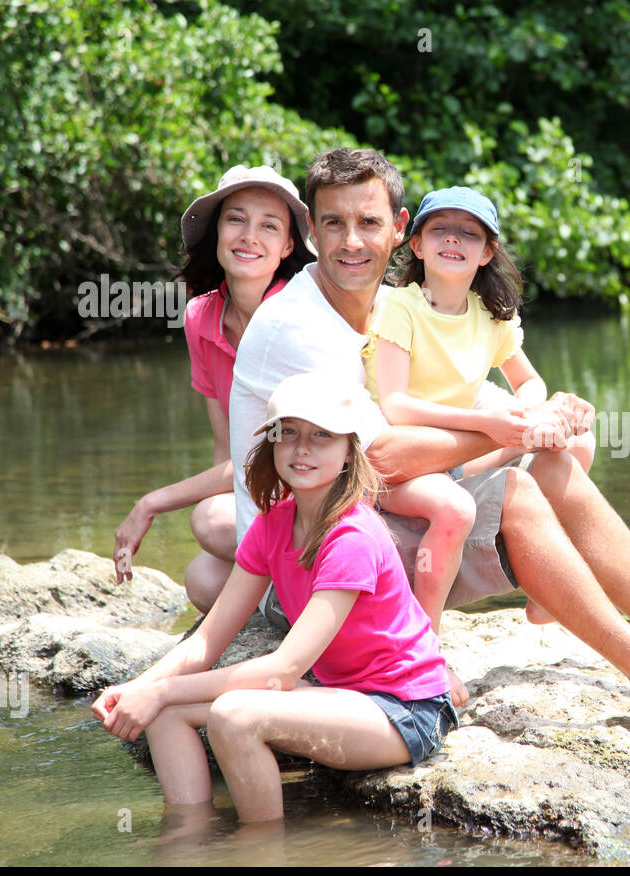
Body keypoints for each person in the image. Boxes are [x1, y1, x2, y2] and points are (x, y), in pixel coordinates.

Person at [229, 148, 630, 723]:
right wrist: (513, 431)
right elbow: (382, 458)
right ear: (310, 227)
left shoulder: (395, 305)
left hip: (378, 533)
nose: (352, 241)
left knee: (554, 465)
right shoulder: (297, 327)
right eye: (334, 222)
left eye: (369, 222)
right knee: (516, 492)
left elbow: (490, 399)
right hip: (305, 574)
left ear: (399, 229)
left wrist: (546, 416)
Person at [93, 372, 457, 823]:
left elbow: (283, 670)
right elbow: (207, 641)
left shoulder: (353, 538)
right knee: (164, 713)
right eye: (289, 434)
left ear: (349, 452)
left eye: (321, 436)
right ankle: (187, 843)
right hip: (338, 696)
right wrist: (140, 690)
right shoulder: (273, 524)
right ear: (271, 445)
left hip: (404, 710)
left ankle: (261, 851)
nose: (302, 449)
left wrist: (160, 690)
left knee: (235, 716)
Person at [364, 185, 594, 633]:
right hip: (399, 466)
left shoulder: (491, 315)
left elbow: (529, 381)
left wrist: (532, 416)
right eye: (440, 230)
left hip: (460, 457)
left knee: (577, 440)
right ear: (416, 244)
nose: (453, 239)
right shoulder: (401, 308)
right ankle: (425, 641)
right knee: (453, 505)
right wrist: (490, 423)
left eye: (468, 233)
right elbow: (395, 407)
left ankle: (546, 588)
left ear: (487, 253)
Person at [113, 165, 314, 613]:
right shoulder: (200, 318)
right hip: (267, 494)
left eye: (269, 226)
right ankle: (290, 597)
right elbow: (228, 453)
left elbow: (263, 451)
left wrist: (152, 502)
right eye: (236, 219)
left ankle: (315, 593)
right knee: (202, 579)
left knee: (207, 520)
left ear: (287, 247)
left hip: (316, 486)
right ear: (217, 231)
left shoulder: (297, 314)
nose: (249, 236)